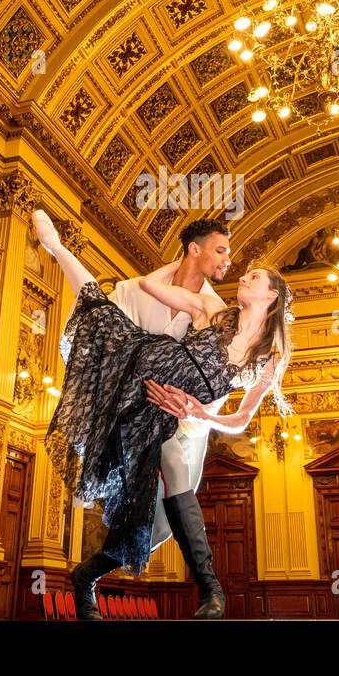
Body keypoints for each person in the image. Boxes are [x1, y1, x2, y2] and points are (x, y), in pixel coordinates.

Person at [34, 209, 292, 621]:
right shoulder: (213, 308)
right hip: (143, 362)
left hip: (162, 407)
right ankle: (57, 247)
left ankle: (106, 579)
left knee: (154, 510)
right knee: (101, 312)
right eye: (235, 264)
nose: (241, 274)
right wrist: (186, 256)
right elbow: (148, 284)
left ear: (272, 295)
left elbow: (241, 418)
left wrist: (200, 414)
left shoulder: (268, 359)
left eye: (254, 277)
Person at [108, 219, 231, 617]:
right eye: (220, 250)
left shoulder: (216, 309)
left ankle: (88, 574)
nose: (228, 259)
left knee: (158, 525)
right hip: (137, 412)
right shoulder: (136, 290)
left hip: (187, 419)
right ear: (194, 249)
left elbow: (221, 379)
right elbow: (120, 320)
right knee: (169, 476)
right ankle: (211, 590)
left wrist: (194, 406)